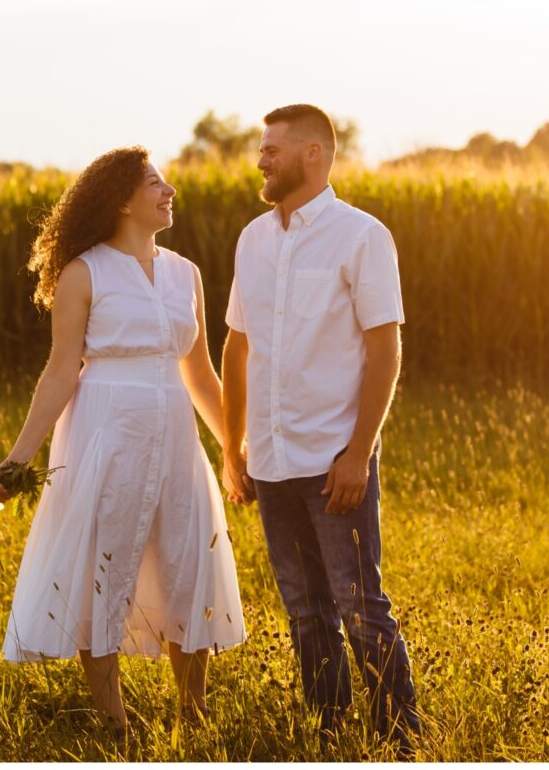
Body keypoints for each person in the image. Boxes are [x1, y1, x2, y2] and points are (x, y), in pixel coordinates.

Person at [0, 146, 245, 744]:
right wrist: (19, 456)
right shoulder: (85, 272)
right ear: (122, 199)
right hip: (106, 429)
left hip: (176, 434)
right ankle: (115, 725)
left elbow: (201, 373)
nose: (169, 190)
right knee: (106, 564)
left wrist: (233, 453)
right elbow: (60, 372)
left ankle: (195, 715)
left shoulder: (186, 273)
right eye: (155, 182)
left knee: (188, 560)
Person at [219, 104, 423, 750]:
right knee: (305, 612)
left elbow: (385, 349)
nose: (260, 159)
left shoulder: (360, 235)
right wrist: (234, 447)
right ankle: (327, 732)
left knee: (362, 609)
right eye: (261, 148)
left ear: (313, 153)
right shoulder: (252, 238)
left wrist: (358, 453)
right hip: (272, 462)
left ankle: (400, 738)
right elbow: (236, 345)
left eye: (272, 149)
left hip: (334, 459)